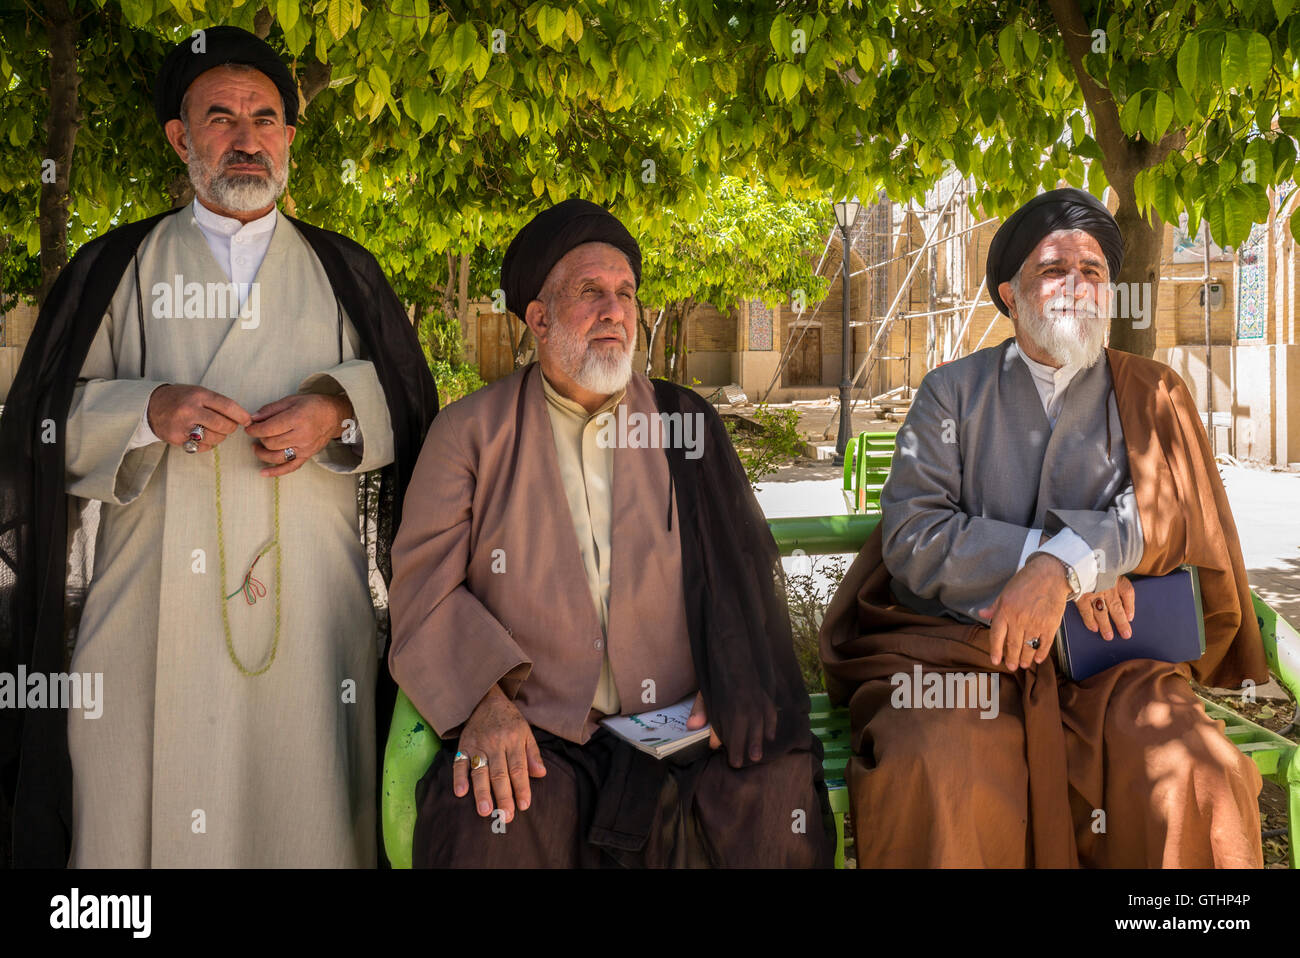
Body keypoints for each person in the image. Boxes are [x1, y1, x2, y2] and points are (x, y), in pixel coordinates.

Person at [0, 26, 438, 867]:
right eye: (221, 117)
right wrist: (147, 411)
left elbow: (415, 405)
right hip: (145, 616)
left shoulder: (346, 270)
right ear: (181, 137)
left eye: (265, 118)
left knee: (306, 815)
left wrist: (335, 411)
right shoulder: (114, 267)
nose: (246, 139)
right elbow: (38, 424)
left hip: (312, 617)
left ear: (289, 140)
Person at [819, 187, 1268, 868]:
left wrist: (1065, 567)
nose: (1075, 286)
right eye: (1053, 270)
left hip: (1113, 663)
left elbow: (1163, 509)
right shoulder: (950, 392)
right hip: (962, 652)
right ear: (1009, 293)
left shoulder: (1151, 392)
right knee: (934, 766)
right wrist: (1036, 563)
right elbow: (914, 534)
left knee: (1198, 774)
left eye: (1092, 272)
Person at [388, 198, 833, 867]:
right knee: (487, 820)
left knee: (772, 796)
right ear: (538, 318)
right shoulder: (469, 433)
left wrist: (730, 679)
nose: (615, 310)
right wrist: (483, 702)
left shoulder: (685, 426)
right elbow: (424, 592)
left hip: (683, 724)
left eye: (625, 293)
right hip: (538, 729)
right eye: (590, 292)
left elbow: (741, 582)